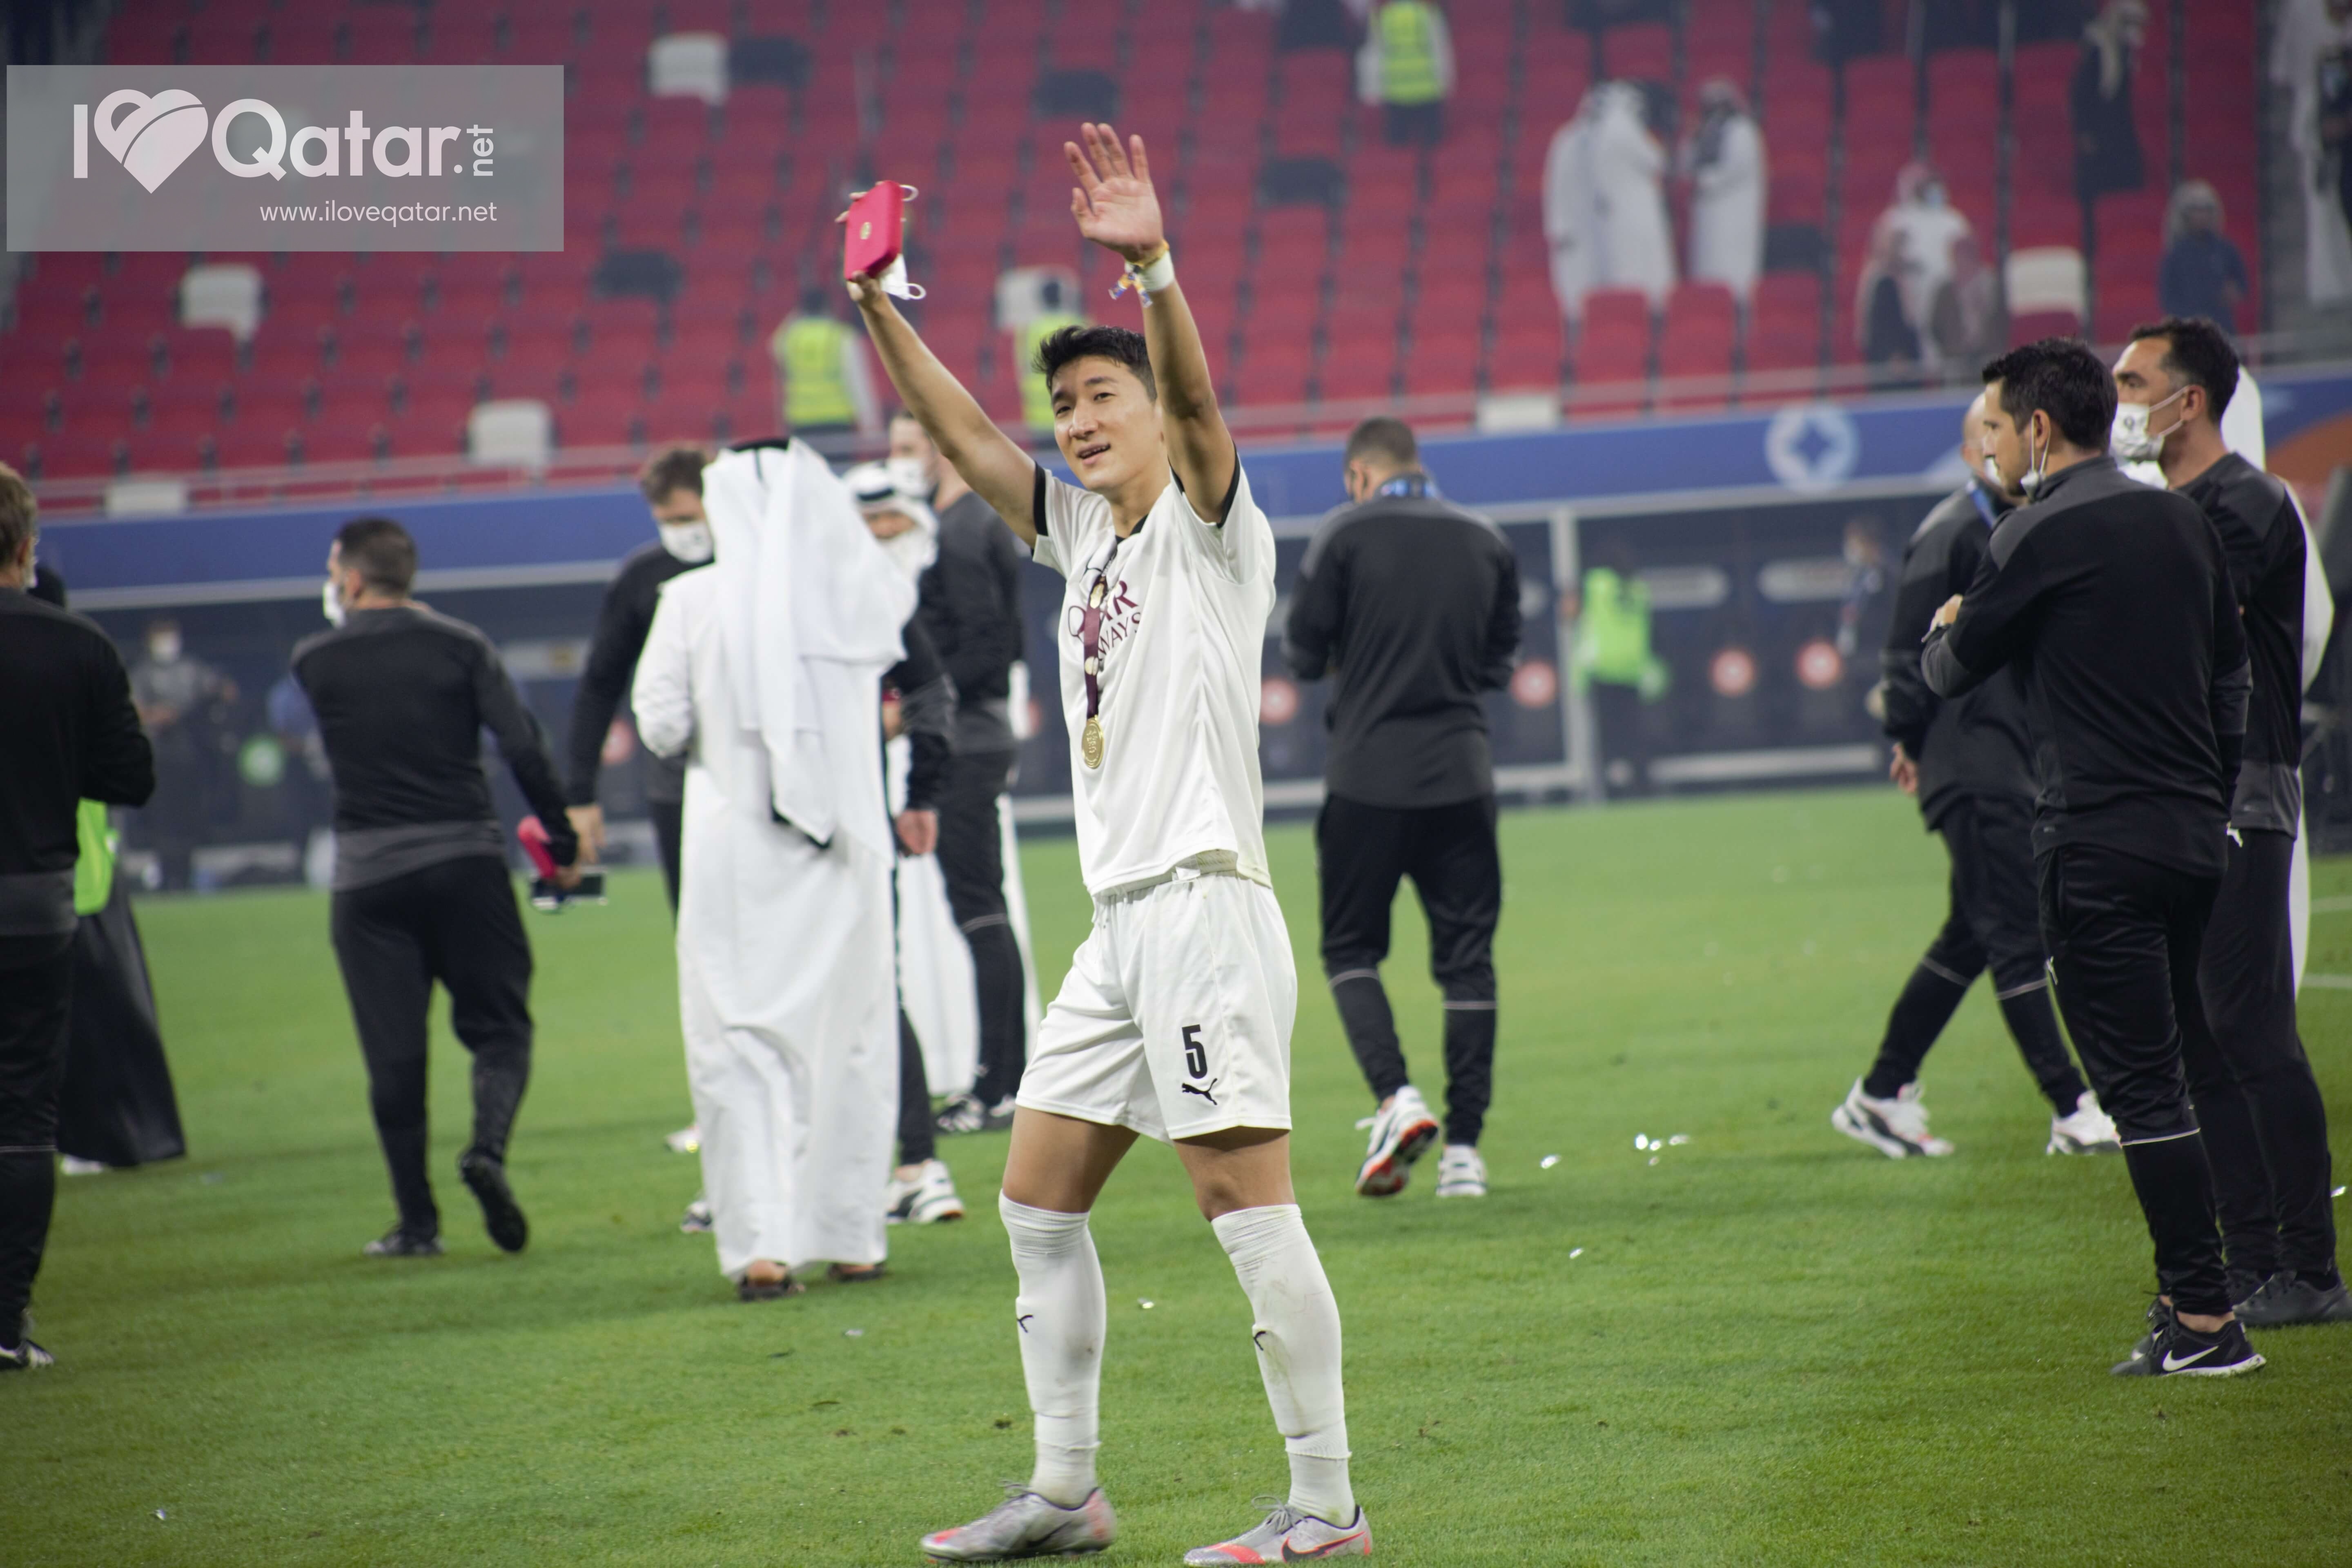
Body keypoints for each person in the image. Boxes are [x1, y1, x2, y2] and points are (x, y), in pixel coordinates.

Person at [854, 123, 1368, 1562]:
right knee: (1032, 1196)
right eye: (1066, 405)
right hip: (1121, 931)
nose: (1078, 423)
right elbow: (965, 439)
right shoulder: (1083, 539)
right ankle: (1069, 1493)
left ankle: (1327, 1506)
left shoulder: (1213, 525)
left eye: (1100, 399)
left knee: (1238, 1203)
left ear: (1154, 415)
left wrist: (1151, 267)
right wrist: (878, 312)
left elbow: (1202, 406)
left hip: (1203, 909)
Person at [1922, 339, 2261, 1378]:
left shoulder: (2030, 533)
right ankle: (2191, 1296)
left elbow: (1947, 669)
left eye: (1996, 423)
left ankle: (2206, 1321)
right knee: (2182, 1068)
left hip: (2095, 840)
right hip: (2188, 834)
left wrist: (1948, 619)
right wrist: (2209, 791)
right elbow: (2229, 676)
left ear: (2033, 428)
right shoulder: (2176, 513)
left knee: (2139, 1091)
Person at [632, 441, 910, 1299]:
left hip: (735, 856)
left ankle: (762, 1247)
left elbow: (661, 726)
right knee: (851, 1039)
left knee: (737, 1048)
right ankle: (853, 1236)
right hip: (844, 850)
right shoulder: (859, 598)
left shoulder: (686, 600)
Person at [2114, 318, 2349, 1328]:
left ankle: (2311, 1265)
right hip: (2180, 793)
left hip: (2240, 792)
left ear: (2189, 399)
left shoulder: (2245, 503)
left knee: (2251, 1029)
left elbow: (2187, 624)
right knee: (2205, 1042)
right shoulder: (2176, 506)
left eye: (2131, 382)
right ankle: (2254, 1259)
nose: (2118, 400)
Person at [1836, 392, 2118, 1161]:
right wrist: (1909, 736)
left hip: (1997, 757)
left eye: (2005, 431)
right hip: (1975, 763)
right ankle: (2071, 1106)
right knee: (2015, 933)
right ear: (1969, 453)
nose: (1998, 449)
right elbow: (1904, 654)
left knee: (1973, 933)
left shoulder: (2004, 528)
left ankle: (1882, 1091)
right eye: (1985, 435)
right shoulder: (1952, 532)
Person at [294, 517, 580, 1259]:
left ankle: (417, 1225)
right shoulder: (462, 646)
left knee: (394, 1057)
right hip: (465, 862)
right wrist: (562, 834)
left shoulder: (313, 659)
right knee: (502, 1029)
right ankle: (486, 1150)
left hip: (366, 879)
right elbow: (521, 744)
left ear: (351, 579)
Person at [1283, 417, 1519, 1204]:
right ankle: (1470, 1153)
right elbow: (1498, 665)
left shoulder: (1343, 535)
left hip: (1366, 781)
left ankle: (1397, 1098)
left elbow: (1302, 654)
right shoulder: (1486, 539)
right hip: (1462, 774)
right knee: (1468, 963)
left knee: (1350, 950)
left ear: (1359, 475)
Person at [0, 462, 155, 1370]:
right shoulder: (79, 646)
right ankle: (7, 1322)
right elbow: (130, 778)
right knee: (24, 1117)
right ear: (27, 545)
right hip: (34, 908)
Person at [886, 412, 1037, 1135]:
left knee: (978, 910)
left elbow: (991, 645)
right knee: (982, 910)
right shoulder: (959, 529)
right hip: (976, 736)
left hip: (969, 742)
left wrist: (915, 706)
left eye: (909, 447)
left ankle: (997, 1085)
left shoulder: (962, 532)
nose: (898, 463)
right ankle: (1002, 1081)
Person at [843, 461, 971, 1229]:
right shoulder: (875, 591)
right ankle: (915, 1165)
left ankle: (893, 1167)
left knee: (800, 1001)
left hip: (804, 829)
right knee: (878, 988)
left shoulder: (744, 597)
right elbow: (933, 689)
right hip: (867, 814)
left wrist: (920, 790)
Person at [26, 568, 185, 1175]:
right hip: (84, 867)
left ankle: (90, 1137)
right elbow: (129, 774)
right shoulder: (80, 663)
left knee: (68, 1016)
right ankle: (119, 1134)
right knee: (106, 1011)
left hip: (66, 869)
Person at [566, 444, 714, 912]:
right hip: (675, 778)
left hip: (762, 772)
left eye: (689, 518)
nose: (681, 533)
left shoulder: (762, 561)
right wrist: (580, 794)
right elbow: (600, 683)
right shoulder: (641, 577)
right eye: (668, 522)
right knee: (693, 921)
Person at [129, 615, 234, 890]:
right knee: (163, 821)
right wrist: (156, 715)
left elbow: (219, 689)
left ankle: (185, 876)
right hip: (157, 758)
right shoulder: (143, 673)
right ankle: (167, 876)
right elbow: (133, 708)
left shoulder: (191, 668)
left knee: (188, 819)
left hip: (189, 756)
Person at [2271, 0, 2352, 306]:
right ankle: (2330, 288)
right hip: (2323, 140)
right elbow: (2292, 78)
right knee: (2323, 214)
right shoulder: (2305, 18)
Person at [1575, 541, 1664, 795]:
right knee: (1635, 732)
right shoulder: (1638, 589)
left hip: (1602, 668)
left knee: (1605, 736)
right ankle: (1642, 785)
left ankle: (1605, 788)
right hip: (1632, 669)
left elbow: (1572, 609)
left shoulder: (1596, 583)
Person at [1870, 164, 1973, 373]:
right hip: (1907, 301)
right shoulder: (1895, 220)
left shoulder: (1953, 220)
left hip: (1944, 298)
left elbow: (1967, 257)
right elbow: (1882, 257)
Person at [1680, 78, 1766, 305]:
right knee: (1708, 272)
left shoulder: (1743, 130)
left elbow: (1736, 169)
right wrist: (1692, 137)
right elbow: (1686, 166)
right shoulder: (1706, 132)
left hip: (1735, 214)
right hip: (1708, 216)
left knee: (1734, 274)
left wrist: (1704, 181)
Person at [769, 287, 881, 438]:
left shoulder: (790, 338)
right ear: (829, 307)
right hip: (837, 419)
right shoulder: (842, 336)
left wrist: (796, 313)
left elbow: (774, 345)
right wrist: (870, 423)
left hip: (801, 420)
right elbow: (858, 381)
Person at [2070, 0, 2147, 216]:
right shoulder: (2097, 50)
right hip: (2097, 133)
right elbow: (2080, 95)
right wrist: (2085, 133)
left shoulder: (2124, 50)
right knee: (2096, 192)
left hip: (2119, 131)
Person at [2157, 183, 2251, 334]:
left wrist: (2234, 292)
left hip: (2221, 327)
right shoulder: (2175, 255)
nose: (2201, 216)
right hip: (2188, 331)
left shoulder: (2225, 249)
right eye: (2196, 211)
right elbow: (2167, 297)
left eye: (2205, 211)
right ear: (2186, 215)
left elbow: (2242, 284)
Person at [1358, 0, 1454, 147]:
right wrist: (1446, 84)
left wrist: (1372, 91)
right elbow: (1441, 50)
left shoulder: (1382, 15)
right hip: (1428, 90)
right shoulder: (1428, 13)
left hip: (1395, 91)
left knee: (1398, 154)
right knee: (1434, 147)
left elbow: (1373, 55)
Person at [1013, 278, 1088, 437]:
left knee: (1045, 459)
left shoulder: (1030, 329)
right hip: (1071, 403)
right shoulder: (1076, 324)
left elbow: (1022, 366)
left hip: (1038, 409)